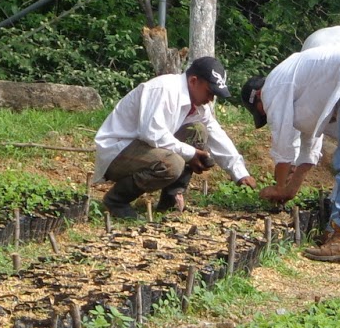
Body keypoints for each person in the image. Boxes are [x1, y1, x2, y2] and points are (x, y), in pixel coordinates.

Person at [241, 25, 340, 263]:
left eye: (261, 113)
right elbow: (310, 148)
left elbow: (283, 147)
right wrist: (290, 188)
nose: (267, 115)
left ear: (257, 98)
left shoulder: (273, 86)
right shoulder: (305, 85)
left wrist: (278, 187)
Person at [93, 57, 254, 219]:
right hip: (118, 151)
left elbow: (215, 134)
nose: (210, 99)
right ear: (193, 81)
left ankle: (169, 200)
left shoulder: (198, 104)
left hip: (143, 147)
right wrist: (191, 154)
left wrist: (239, 172)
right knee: (172, 163)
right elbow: (152, 134)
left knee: (198, 130)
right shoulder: (164, 90)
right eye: (209, 92)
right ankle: (117, 201)